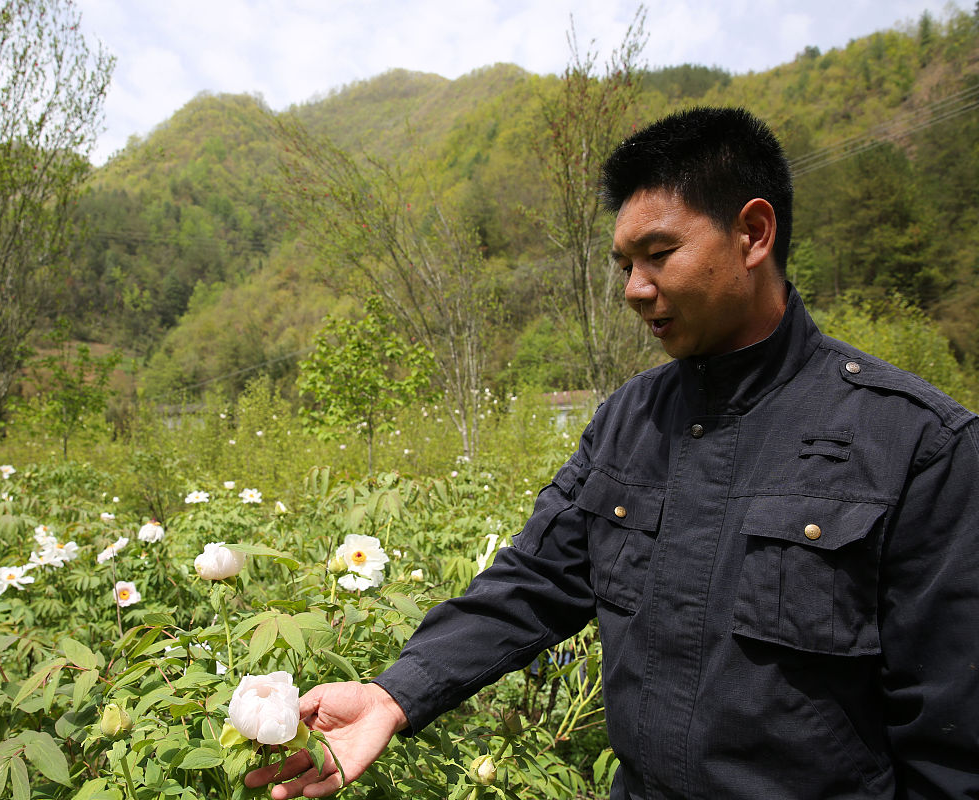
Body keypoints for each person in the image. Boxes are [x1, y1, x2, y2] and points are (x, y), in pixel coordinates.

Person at [245, 107, 979, 799]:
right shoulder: (630, 419)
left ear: (753, 235)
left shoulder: (917, 446)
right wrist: (393, 693)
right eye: (625, 263)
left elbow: (951, 743)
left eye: (659, 254)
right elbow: (534, 581)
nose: (634, 289)